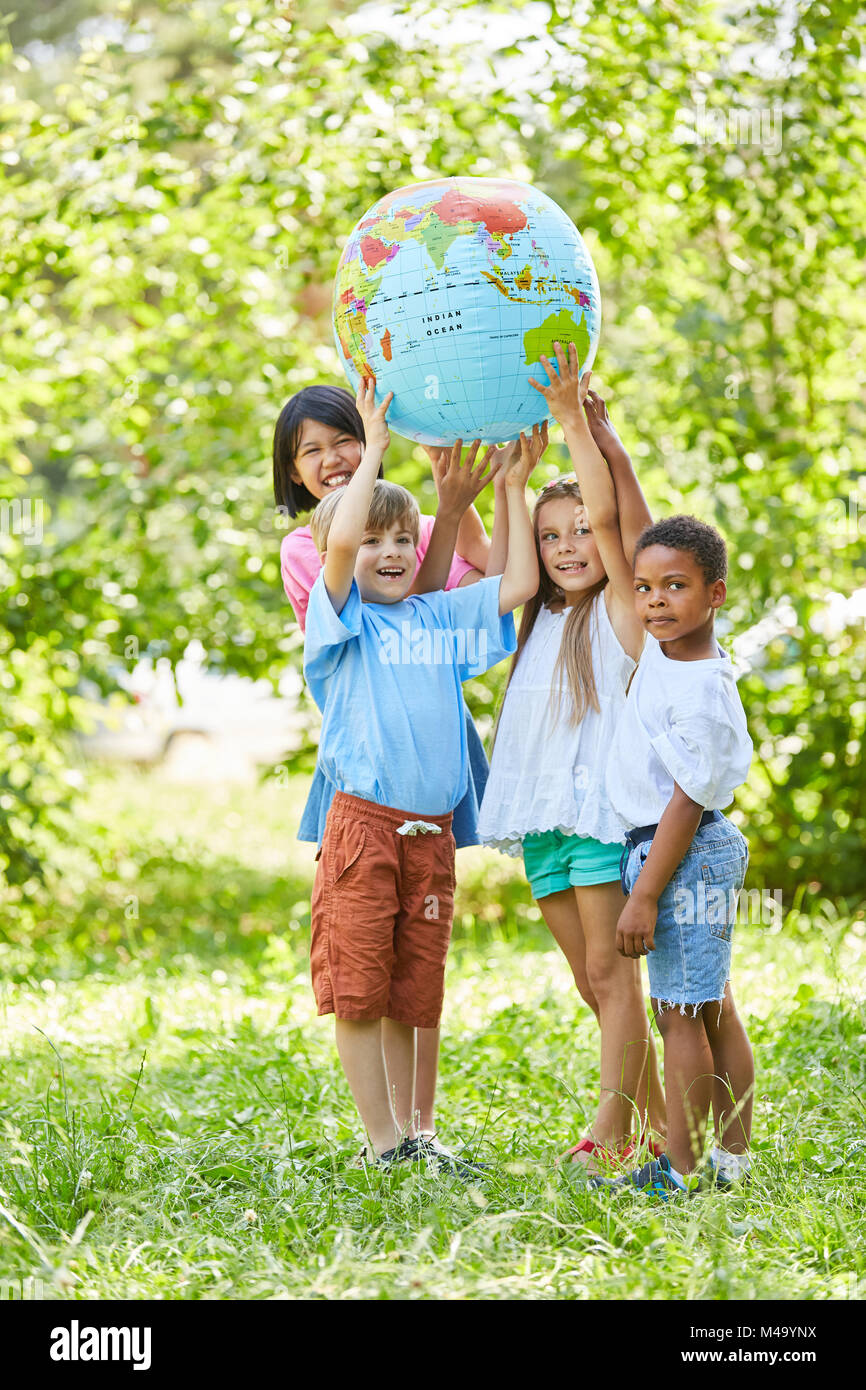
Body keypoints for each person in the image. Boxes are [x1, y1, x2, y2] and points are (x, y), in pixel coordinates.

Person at [303, 377, 543, 1170]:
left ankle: (416, 1136)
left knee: (414, 994)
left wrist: (509, 487)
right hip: (363, 833)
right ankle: (382, 1145)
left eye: (404, 540)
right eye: (374, 543)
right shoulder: (340, 624)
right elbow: (337, 544)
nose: (393, 553)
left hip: (430, 839)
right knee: (361, 991)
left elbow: (515, 582)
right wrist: (373, 445)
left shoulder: (435, 617)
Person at [478, 342, 666, 1170]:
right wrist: (511, 486)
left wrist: (576, 428)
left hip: (597, 814)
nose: (566, 545)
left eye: (581, 532)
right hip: (540, 819)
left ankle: (609, 1134)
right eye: (553, 536)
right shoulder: (540, 619)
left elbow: (617, 514)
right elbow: (498, 565)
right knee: (596, 985)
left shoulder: (624, 613)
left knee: (608, 970)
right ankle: (663, 1130)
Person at [598, 514, 754, 1197]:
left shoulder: (704, 694)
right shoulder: (664, 651)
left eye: (676, 586)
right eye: (644, 587)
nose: (656, 600)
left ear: (714, 595)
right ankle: (730, 1161)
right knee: (710, 1003)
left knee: (679, 1012)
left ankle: (685, 1171)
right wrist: (605, 443)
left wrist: (644, 895)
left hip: (683, 853)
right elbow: (626, 520)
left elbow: (686, 805)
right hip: (676, 851)